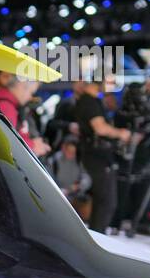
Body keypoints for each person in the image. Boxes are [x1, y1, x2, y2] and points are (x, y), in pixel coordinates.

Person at [75, 78, 134, 233]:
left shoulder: (91, 101)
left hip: (97, 155)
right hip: (96, 156)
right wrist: (120, 133)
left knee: (103, 201)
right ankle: (98, 240)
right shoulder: (89, 102)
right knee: (106, 201)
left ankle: (96, 237)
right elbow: (100, 128)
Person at [0, 73, 50, 156]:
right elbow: (4, 142)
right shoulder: (6, 107)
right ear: (21, 85)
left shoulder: (6, 103)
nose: (30, 97)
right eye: (31, 92)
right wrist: (33, 145)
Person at [47, 139, 93, 223]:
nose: (71, 154)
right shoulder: (53, 161)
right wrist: (61, 190)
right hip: (58, 196)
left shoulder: (78, 161)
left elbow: (87, 178)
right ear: (63, 148)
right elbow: (48, 180)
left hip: (74, 197)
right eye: (69, 151)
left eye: (73, 152)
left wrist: (80, 185)